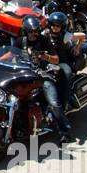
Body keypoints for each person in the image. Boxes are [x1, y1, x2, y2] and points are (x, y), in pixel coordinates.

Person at [19, 14, 74, 142]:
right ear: (25, 31)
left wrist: (45, 57)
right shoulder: (21, 41)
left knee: (54, 104)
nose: (34, 34)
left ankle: (65, 132)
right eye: (31, 31)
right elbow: (11, 54)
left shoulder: (43, 40)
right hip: (25, 75)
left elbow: (56, 59)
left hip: (42, 76)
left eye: (36, 31)